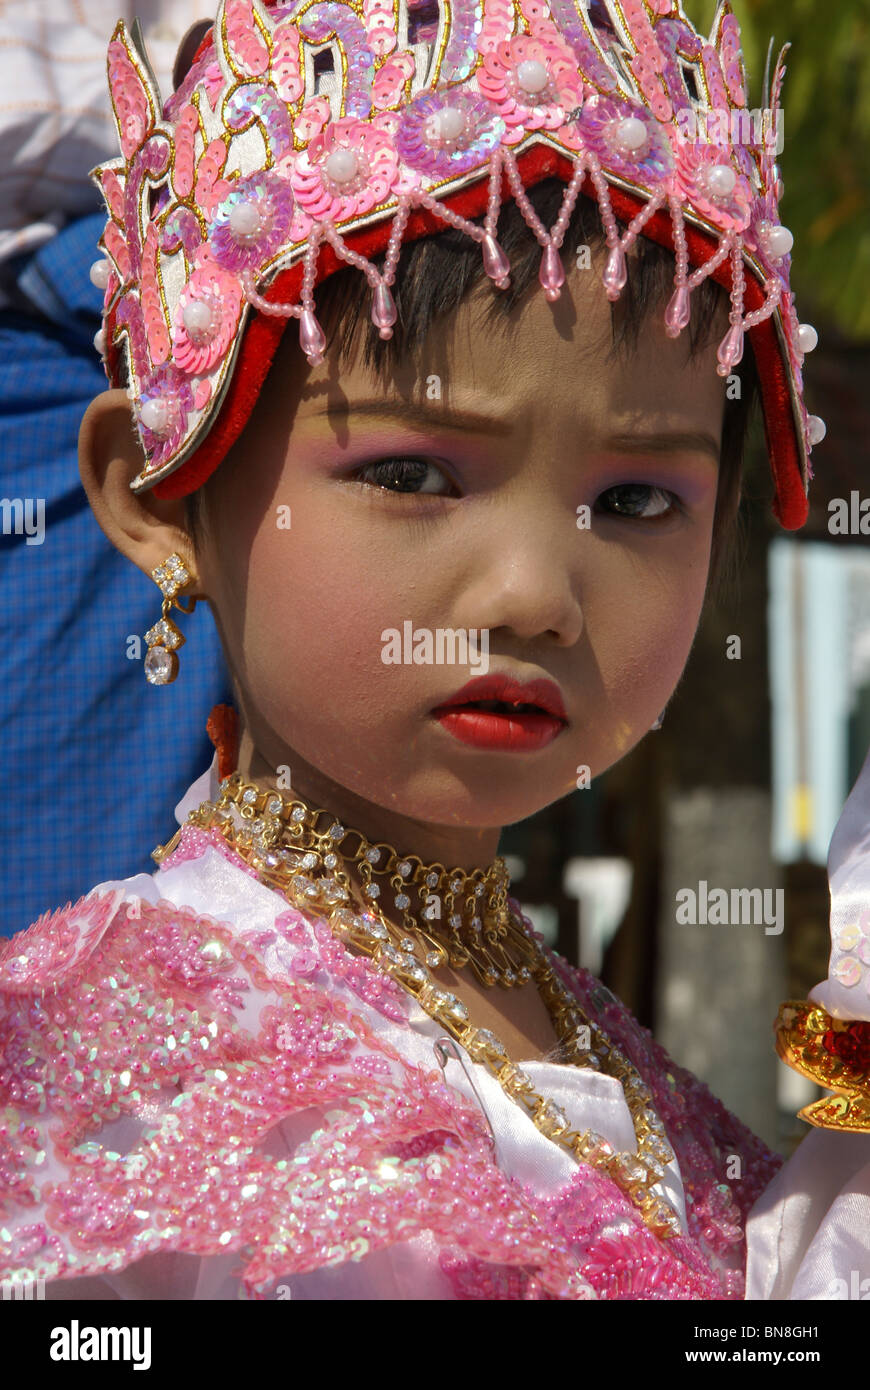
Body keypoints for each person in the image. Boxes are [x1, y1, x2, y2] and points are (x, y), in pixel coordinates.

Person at [1, 0, 867, 1301]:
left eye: (635, 501)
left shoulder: (642, 1088)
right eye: (410, 471)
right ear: (160, 496)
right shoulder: (109, 1048)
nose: (532, 596)